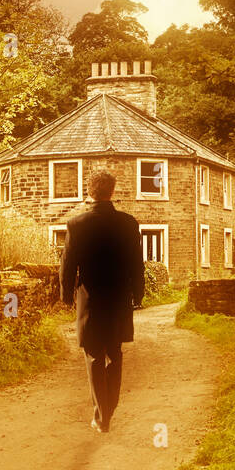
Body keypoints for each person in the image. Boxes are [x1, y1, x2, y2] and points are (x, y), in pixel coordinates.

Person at [59, 170, 145, 434]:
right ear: (113, 191)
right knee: (114, 356)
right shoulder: (129, 224)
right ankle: (107, 412)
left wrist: (65, 296)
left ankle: (102, 415)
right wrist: (139, 294)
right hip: (119, 299)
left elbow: (67, 266)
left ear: (89, 191)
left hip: (91, 301)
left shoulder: (77, 225)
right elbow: (136, 265)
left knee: (94, 357)